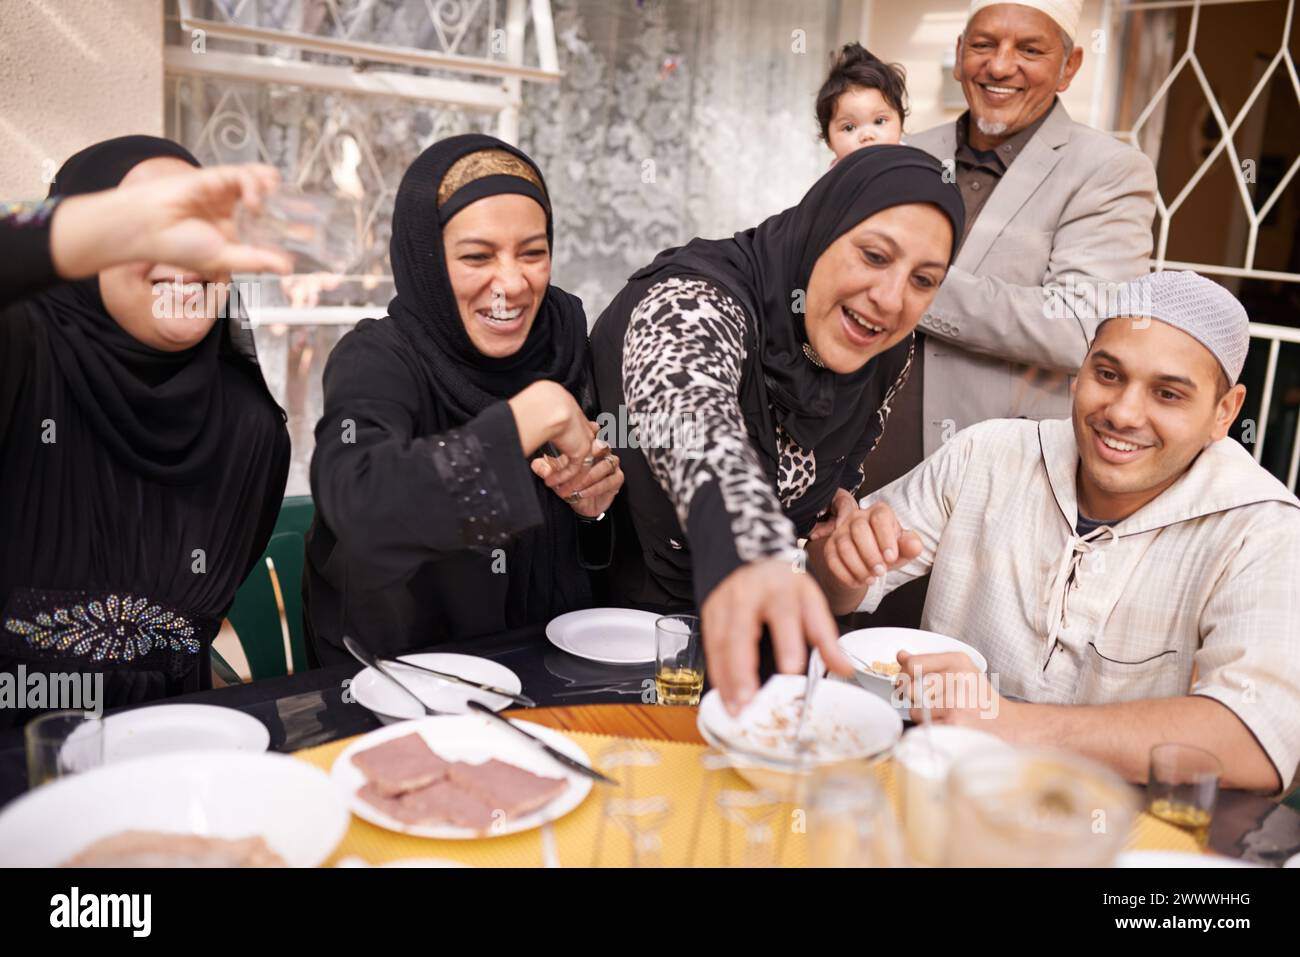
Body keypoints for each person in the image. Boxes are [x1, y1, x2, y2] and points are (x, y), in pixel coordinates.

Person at [810, 272, 1300, 794]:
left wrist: (1007, 723)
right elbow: (837, 586)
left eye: (1168, 394)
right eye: (1108, 374)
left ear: (1224, 412)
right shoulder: (990, 453)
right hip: (941, 796)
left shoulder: (1263, 527)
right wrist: (841, 561)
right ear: (1080, 370)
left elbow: (1258, 738)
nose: (1123, 413)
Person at [590, 145, 965, 713]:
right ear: (823, 225)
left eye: (923, 280)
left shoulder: (886, 354)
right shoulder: (693, 297)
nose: (891, 299)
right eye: (873, 255)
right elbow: (690, 418)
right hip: (607, 649)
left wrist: (831, 536)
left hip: (750, 662)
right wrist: (753, 541)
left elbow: (818, 486)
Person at [857, 0, 1159, 631]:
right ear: (960, 51)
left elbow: (1084, 329)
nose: (1000, 66)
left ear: (1070, 65)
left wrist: (911, 283)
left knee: (943, 675)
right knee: (834, 646)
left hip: (987, 486)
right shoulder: (904, 150)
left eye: (1030, 50)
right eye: (983, 44)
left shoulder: (1108, 171)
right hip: (855, 454)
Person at [0, 136, 291, 721]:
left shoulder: (252, 430)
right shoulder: (21, 360)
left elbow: (182, 647)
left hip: (170, 762)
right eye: (145, 228)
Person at [304, 135, 624, 665]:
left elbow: (592, 542)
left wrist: (591, 508)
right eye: (477, 256)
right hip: (398, 684)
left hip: (550, 667)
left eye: (533, 253)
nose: (512, 285)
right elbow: (359, 505)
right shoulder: (377, 358)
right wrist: (530, 413)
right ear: (426, 258)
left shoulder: (564, 339)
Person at [0, 163, 291, 309]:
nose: (184, 259)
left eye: (200, 223)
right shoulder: (22, 358)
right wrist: (132, 225)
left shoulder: (251, 413)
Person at [816, 43, 909, 163]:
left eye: (879, 121)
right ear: (829, 142)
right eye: (849, 128)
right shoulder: (836, 179)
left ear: (900, 124)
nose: (867, 135)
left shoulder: (912, 164)